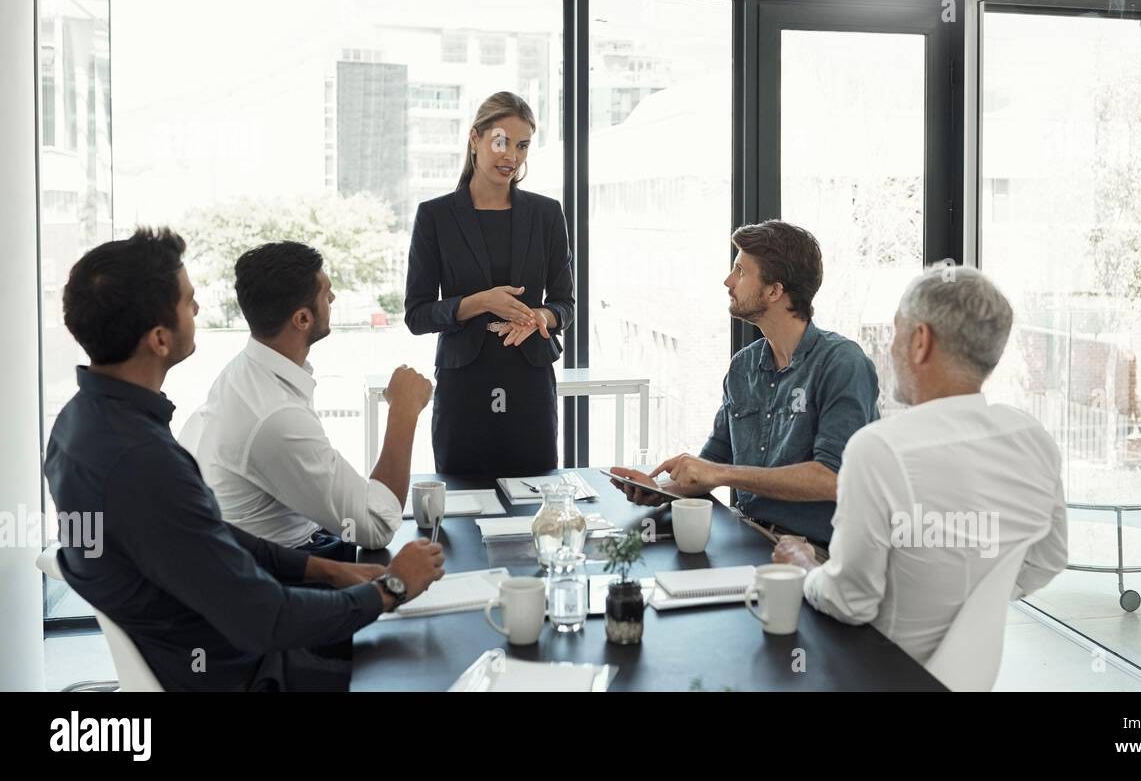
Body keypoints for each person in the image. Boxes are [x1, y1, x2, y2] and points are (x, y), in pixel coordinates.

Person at [43, 228, 443, 690]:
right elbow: (266, 619)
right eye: (187, 301)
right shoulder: (141, 462)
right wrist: (391, 590)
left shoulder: (81, 423)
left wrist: (326, 569)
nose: (196, 309)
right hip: (243, 670)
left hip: (205, 641)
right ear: (158, 339)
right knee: (428, 657)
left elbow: (205, 531)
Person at [773, 264, 1069, 663]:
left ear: (920, 341)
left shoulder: (877, 450)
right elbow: (1049, 560)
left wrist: (805, 566)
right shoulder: (1033, 439)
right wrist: (968, 605)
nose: (890, 348)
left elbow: (849, 602)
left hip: (873, 674)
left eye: (896, 332)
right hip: (973, 676)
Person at [612, 220, 879, 550]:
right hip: (748, 539)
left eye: (740, 271)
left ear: (774, 290)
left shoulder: (841, 363)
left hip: (817, 555)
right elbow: (714, 459)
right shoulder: (744, 365)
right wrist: (663, 489)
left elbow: (832, 479)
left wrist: (723, 474)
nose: (728, 281)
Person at [180, 241, 432, 556]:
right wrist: (404, 412)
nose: (333, 297)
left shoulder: (244, 371)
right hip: (287, 574)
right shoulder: (276, 416)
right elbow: (376, 527)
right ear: (302, 319)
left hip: (290, 547)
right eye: (326, 293)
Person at [404, 91, 575, 480]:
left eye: (522, 145)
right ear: (475, 138)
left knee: (534, 505)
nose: (510, 156)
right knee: (463, 506)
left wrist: (539, 316)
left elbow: (565, 303)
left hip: (529, 382)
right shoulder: (435, 217)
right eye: (500, 141)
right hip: (464, 385)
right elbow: (417, 314)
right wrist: (480, 302)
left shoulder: (547, 215)